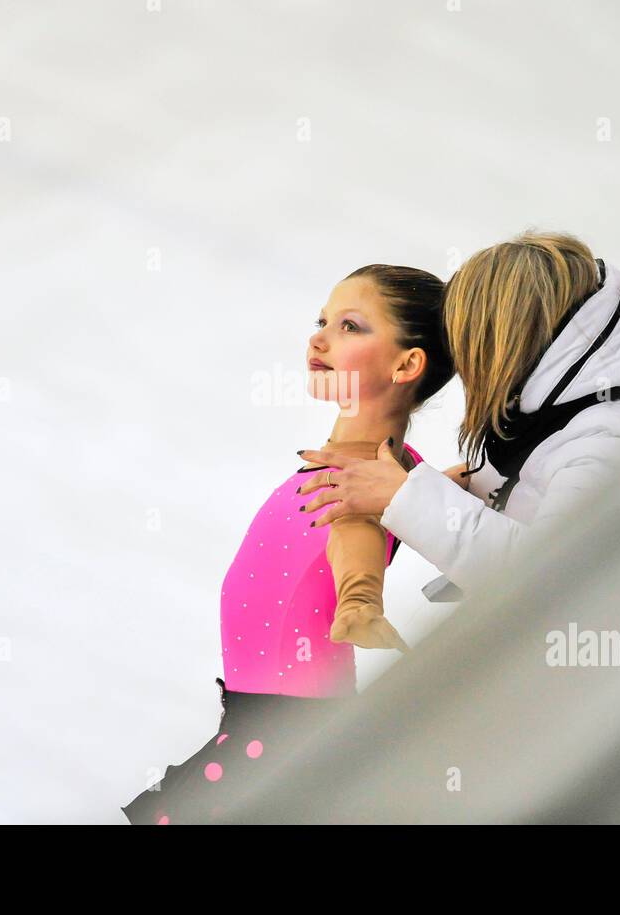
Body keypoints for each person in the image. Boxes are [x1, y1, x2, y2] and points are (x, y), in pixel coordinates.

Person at [121, 263, 454, 824]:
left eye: (350, 326)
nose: (318, 338)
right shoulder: (355, 467)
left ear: (406, 363)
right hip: (266, 732)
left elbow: (359, 538)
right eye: (321, 320)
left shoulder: (370, 477)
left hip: (279, 741)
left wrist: (359, 600)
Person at [297, 231, 620, 602]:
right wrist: (452, 493)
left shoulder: (614, 436)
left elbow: (551, 579)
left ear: (507, 338)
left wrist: (406, 498)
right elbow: (536, 488)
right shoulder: (573, 399)